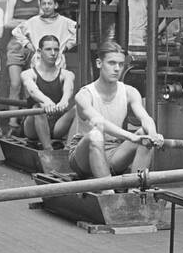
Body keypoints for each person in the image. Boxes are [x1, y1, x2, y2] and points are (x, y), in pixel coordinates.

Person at [67, 42, 163, 178]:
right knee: (96, 134)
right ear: (99, 63)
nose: (117, 69)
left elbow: (146, 118)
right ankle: (108, 192)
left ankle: (134, 190)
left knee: (145, 132)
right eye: (111, 63)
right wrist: (131, 136)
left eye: (121, 64)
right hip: (84, 157)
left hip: (114, 152)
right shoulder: (84, 95)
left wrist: (153, 136)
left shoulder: (130, 92)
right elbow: (100, 122)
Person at [19, 35, 77, 151]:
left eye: (56, 49)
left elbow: (68, 89)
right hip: (33, 127)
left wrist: (64, 101)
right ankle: (48, 150)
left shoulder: (67, 74)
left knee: (77, 108)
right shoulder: (28, 74)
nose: (53, 53)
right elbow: (32, 90)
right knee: (37, 107)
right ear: (39, 52)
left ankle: (69, 149)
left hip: (57, 126)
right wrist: (46, 101)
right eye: (48, 49)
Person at [4, 0, 43, 127]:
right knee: (15, 84)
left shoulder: (40, 0)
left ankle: (28, 122)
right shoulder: (13, 0)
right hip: (15, 45)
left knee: (31, 86)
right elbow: (7, 23)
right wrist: (29, 23)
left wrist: (19, 22)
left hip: (33, 45)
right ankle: (13, 121)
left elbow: (42, 23)